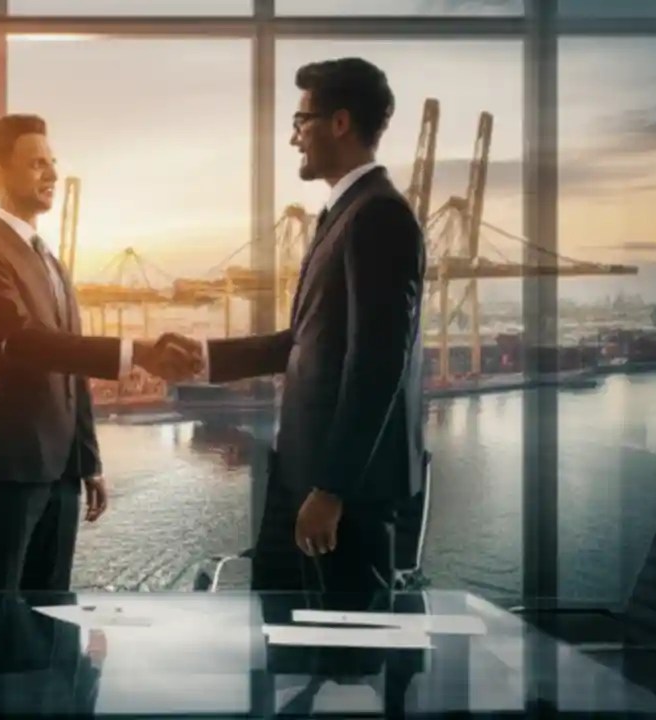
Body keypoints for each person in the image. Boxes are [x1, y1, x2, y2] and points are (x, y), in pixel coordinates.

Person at [164, 58, 427, 598]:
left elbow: (377, 364)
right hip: (304, 477)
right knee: (278, 623)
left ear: (340, 123)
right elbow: (307, 341)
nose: (293, 138)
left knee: (345, 641)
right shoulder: (347, 212)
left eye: (301, 121)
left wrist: (332, 488)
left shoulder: (378, 216)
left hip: (341, 495)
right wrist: (205, 358)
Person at [0, 113, 202, 592]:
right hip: (5, 466)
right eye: (36, 163)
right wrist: (135, 352)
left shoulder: (50, 261)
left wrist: (87, 460)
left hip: (61, 471)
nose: (52, 174)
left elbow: (70, 370)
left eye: (53, 162)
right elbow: (18, 341)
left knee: (53, 611)